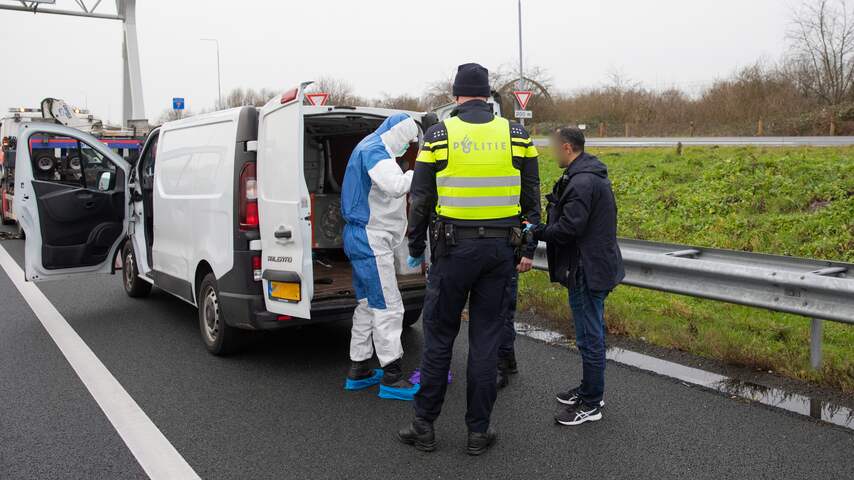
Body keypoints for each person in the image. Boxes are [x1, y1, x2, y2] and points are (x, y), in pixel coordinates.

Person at [398, 63, 540, 455]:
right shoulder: (517, 135)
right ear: (489, 94)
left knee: (439, 338)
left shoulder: (438, 135)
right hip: (500, 253)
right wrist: (527, 248)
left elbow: (421, 200)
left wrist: (415, 247)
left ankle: (424, 427)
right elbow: (532, 200)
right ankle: (478, 432)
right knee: (486, 342)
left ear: (456, 95)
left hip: (451, 251)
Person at [530, 127, 625, 426]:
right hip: (593, 264)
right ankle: (589, 389)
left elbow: (570, 228)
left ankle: (592, 403)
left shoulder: (582, 182)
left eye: (554, 147)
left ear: (567, 147)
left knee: (589, 337)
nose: (552, 152)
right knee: (589, 334)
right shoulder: (586, 175)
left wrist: (537, 231)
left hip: (587, 268)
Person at [341, 113, 421, 401]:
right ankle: (392, 377)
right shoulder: (375, 150)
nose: (407, 146)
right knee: (389, 306)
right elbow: (396, 186)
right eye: (408, 140)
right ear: (399, 133)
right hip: (371, 239)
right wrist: (422, 169)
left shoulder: (369, 147)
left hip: (361, 237)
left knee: (367, 304)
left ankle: (359, 369)